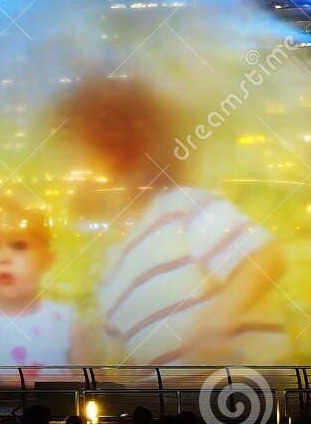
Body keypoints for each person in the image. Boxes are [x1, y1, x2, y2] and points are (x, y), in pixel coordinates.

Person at [59, 79, 286, 364]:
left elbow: (265, 257)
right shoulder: (111, 275)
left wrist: (222, 314)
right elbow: (125, 360)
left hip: (243, 387)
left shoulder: (182, 208)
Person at [0, 198, 76, 366]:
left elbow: (91, 381)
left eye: (19, 245)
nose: (3, 258)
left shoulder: (67, 322)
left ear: (46, 259)